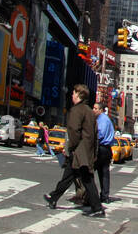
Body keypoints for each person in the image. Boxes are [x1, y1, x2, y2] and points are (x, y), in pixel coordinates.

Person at [44, 85, 105, 218]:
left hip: (78, 151)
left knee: (87, 180)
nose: (72, 95)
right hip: (86, 151)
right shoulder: (90, 111)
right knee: (69, 176)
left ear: (78, 95)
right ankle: (53, 197)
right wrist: (94, 153)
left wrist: (70, 148)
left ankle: (98, 208)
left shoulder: (76, 110)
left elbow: (73, 131)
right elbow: (95, 135)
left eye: (73, 93)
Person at [92, 101, 115, 203]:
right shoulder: (104, 119)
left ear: (101, 110)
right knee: (104, 173)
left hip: (101, 148)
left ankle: (94, 195)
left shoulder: (103, 120)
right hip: (106, 149)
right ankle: (104, 195)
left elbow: (99, 134)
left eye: (95, 108)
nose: (93, 110)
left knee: (91, 171)